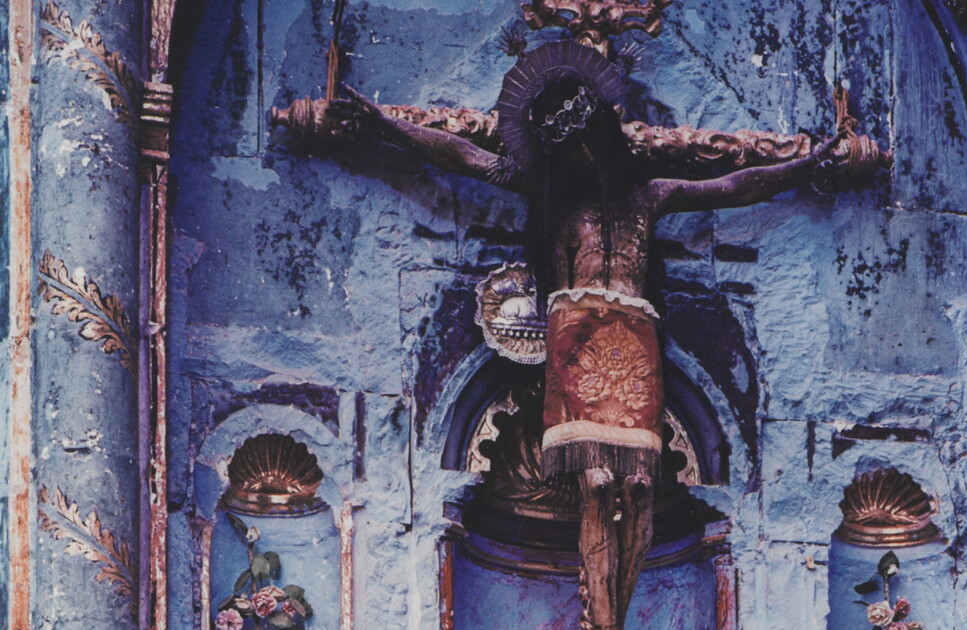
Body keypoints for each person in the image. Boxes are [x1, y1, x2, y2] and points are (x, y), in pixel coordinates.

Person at [333, 40, 842, 630]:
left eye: (587, 138)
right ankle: (597, 617)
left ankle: (616, 613)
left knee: (644, 490)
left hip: (635, 337)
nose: (582, 153)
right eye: (569, 146)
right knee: (598, 482)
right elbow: (462, 156)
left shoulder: (650, 195)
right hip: (575, 334)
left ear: (602, 134)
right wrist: (385, 124)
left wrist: (806, 165)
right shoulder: (546, 192)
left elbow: (733, 188)